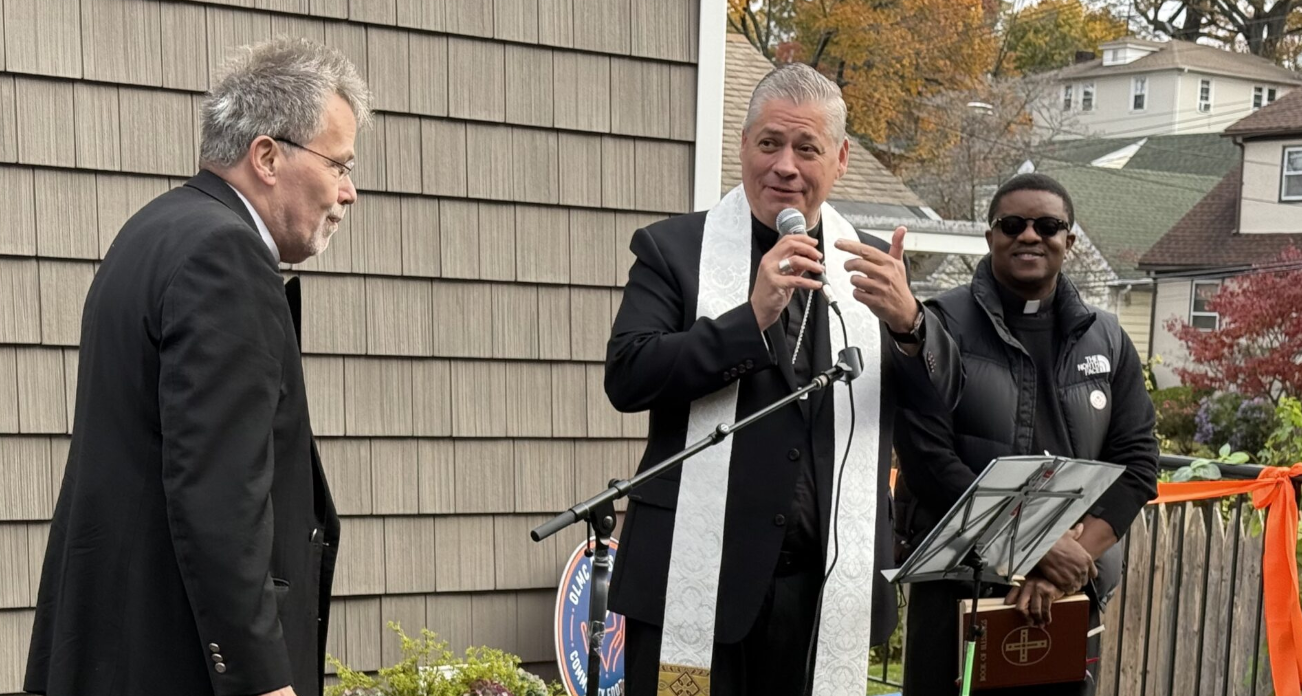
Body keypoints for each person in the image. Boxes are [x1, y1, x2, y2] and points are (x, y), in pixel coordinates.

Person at [604, 63, 964, 695]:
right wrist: (752, 318)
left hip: (826, 584)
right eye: (769, 143)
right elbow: (628, 378)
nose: (785, 166)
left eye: (807, 148)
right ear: (744, 147)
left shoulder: (873, 264)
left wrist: (911, 324)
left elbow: (943, 403)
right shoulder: (674, 250)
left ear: (842, 158)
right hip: (694, 576)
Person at [25, 38, 370, 696]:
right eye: (339, 165)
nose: (348, 193)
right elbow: (221, 502)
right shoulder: (224, 259)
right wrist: (264, 681)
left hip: (113, 653)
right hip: (176, 663)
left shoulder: (150, 233)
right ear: (267, 156)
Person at [892, 173, 1159, 695]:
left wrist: (1067, 562)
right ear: (990, 236)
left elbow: (1138, 464)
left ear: (1070, 241)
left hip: (1066, 594)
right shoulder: (939, 325)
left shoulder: (1107, 337)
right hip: (959, 593)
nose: (1030, 236)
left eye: (1048, 225)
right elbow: (928, 462)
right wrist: (1034, 547)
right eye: (1012, 224)